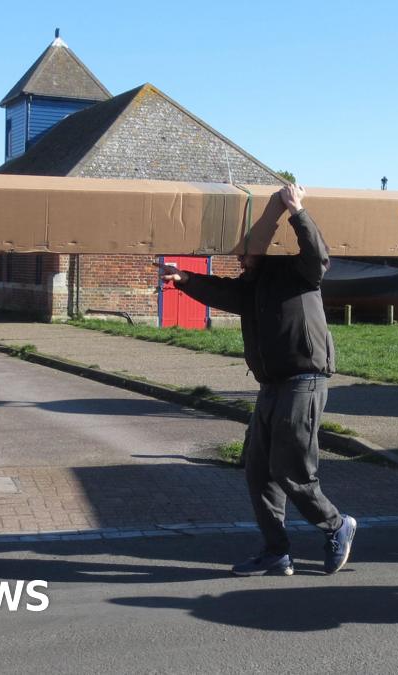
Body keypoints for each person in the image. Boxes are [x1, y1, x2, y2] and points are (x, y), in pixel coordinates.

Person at [159, 184, 357, 576]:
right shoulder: (253, 285)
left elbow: (319, 257)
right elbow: (223, 293)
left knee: (291, 467)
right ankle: (276, 551)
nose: (239, 255)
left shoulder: (297, 272)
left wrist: (297, 212)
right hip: (272, 384)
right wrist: (183, 279)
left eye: (245, 248)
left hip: (305, 378)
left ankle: (336, 525)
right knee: (258, 468)